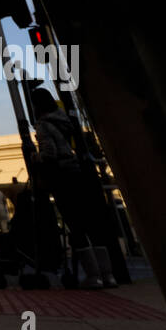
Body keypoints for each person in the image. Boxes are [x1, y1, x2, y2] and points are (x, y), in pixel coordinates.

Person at [30, 87, 116, 289]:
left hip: (64, 178)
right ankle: (108, 275)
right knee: (93, 224)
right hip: (84, 175)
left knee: (75, 224)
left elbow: (49, 153)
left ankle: (93, 276)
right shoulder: (69, 120)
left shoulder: (43, 125)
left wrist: (35, 156)